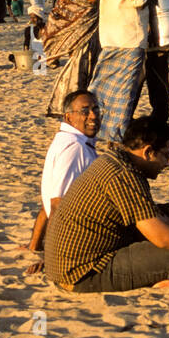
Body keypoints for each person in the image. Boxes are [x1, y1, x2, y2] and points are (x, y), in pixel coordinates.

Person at [44, 116, 169, 293]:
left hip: (77, 261)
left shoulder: (118, 162)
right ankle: (152, 280)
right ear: (148, 152)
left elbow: (154, 217)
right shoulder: (122, 175)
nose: (167, 164)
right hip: (82, 273)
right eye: (166, 155)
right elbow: (164, 237)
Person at [23, 89, 101, 270]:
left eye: (96, 110)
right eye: (85, 111)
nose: (93, 116)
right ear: (68, 117)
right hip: (80, 238)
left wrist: (34, 245)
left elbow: (48, 201)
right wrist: (51, 258)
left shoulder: (66, 139)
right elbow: (57, 204)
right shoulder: (75, 148)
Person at [89, 0, 150, 143]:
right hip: (130, 37)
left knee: (103, 87)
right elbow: (139, 0)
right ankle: (115, 135)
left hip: (108, 35)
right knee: (124, 93)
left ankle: (97, 128)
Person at [42, 0, 101, 117]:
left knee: (89, 66)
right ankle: (67, 107)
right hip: (80, 26)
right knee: (78, 66)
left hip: (91, 26)